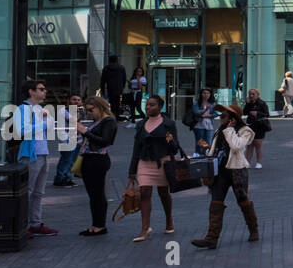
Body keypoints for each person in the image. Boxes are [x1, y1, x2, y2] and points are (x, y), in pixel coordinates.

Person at [191, 105, 259, 249]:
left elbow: (236, 146)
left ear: (232, 119)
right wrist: (206, 152)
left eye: (223, 116)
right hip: (220, 171)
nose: (220, 118)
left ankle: (254, 229)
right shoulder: (220, 130)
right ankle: (211, 238)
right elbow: (216, 150)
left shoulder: (245, 131)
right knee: (216, 202)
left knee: (243, 200)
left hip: (237, 170)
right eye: (220, 116)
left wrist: (229, 129)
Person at [128, 95, 181, 243]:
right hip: (144, 162)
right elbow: (136, 148)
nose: (148, 107)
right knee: (144, 192)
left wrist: (170, 141)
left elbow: (175, 148)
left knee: (163, 193)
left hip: (163, 162)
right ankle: (145, 228)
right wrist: (132, 170)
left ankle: (169, 219)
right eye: (147, 105)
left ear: (160, 107)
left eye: (152, 105)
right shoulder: (141, 124)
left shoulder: (168, 123)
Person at [15, 79, 58, 237]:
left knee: (38, 192)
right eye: (41, 89)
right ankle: (23, 225)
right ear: (31, 92)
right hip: (30, 155)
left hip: (42, 153)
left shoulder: (39, 108)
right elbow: (23, 130)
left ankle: (35, 223)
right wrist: (45, 122)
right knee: (28, 191)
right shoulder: (23, 109)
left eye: (44, 88)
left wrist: (47, 121)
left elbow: (51, 124)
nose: (44, 91)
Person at [77, 96, 117, 237]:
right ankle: (96, 225)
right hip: (90, 158)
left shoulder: (109, 122)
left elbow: (105, 141)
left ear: (100, 107)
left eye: (91, 110)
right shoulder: (99, 121)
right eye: (87, 110)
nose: (89, 113)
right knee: (93, 195)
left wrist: (85, 132)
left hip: (97, 160)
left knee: (97, 194)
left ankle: (99, 225)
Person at [54, 94, 84, 187]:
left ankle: (68, 178)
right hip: (66, 140)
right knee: (65, 160)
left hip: (77, 140)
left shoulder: (78, 111)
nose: (76, 101)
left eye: (78, 100)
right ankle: (60, 179)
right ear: (68, 101)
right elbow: (73, 121)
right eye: (74, 99)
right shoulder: (64, 111)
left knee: (72, 161)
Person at [243, 88, 269, 168]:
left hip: (260, 125)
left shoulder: (262, 103)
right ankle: (248, 162)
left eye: (253, 94)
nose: (251, 95)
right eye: (250, 94)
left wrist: (257, 113)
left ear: (257, 95)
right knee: (249, 144)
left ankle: (259, 163)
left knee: (258, 144)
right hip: (250, 125)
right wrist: (247, 104)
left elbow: (267, 114)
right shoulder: (249, 103)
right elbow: (244, 112)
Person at [190, 88, 219, 153]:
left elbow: (216, 113)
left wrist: (209, 115)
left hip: (209, 125)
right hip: (199, 125)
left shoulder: (213, 103)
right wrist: (205, 110)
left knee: (208, 142)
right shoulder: (197, 102)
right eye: (204, 93)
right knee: (200, 142)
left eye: (208, 93)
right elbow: (196, 112)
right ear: (201, 94)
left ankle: (205, 156)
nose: (206, 95)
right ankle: (198, 156)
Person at [100, 55, 127, 123]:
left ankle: (112, 115)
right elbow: (124, 78)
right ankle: (117, 116)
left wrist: (102, 89)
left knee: (112, 102)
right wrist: (122, 86)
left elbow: (103, 80)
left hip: (110, 87)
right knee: (117, 102)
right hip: (119, 87)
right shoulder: (121, 67)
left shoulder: (106, 68)